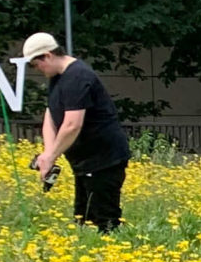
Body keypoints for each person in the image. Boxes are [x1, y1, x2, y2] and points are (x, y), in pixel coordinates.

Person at [22, 32, 131, 231]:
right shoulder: (57, 77)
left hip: (103, 160)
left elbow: (72, 124)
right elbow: (51, 115)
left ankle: (112, 256)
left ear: (47, 55)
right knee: (83, 220)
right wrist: (48, 153)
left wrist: (52, 155)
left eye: (36, 64)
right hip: (84, 161)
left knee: (103, 221)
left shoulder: (78, 77)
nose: (37, 70)